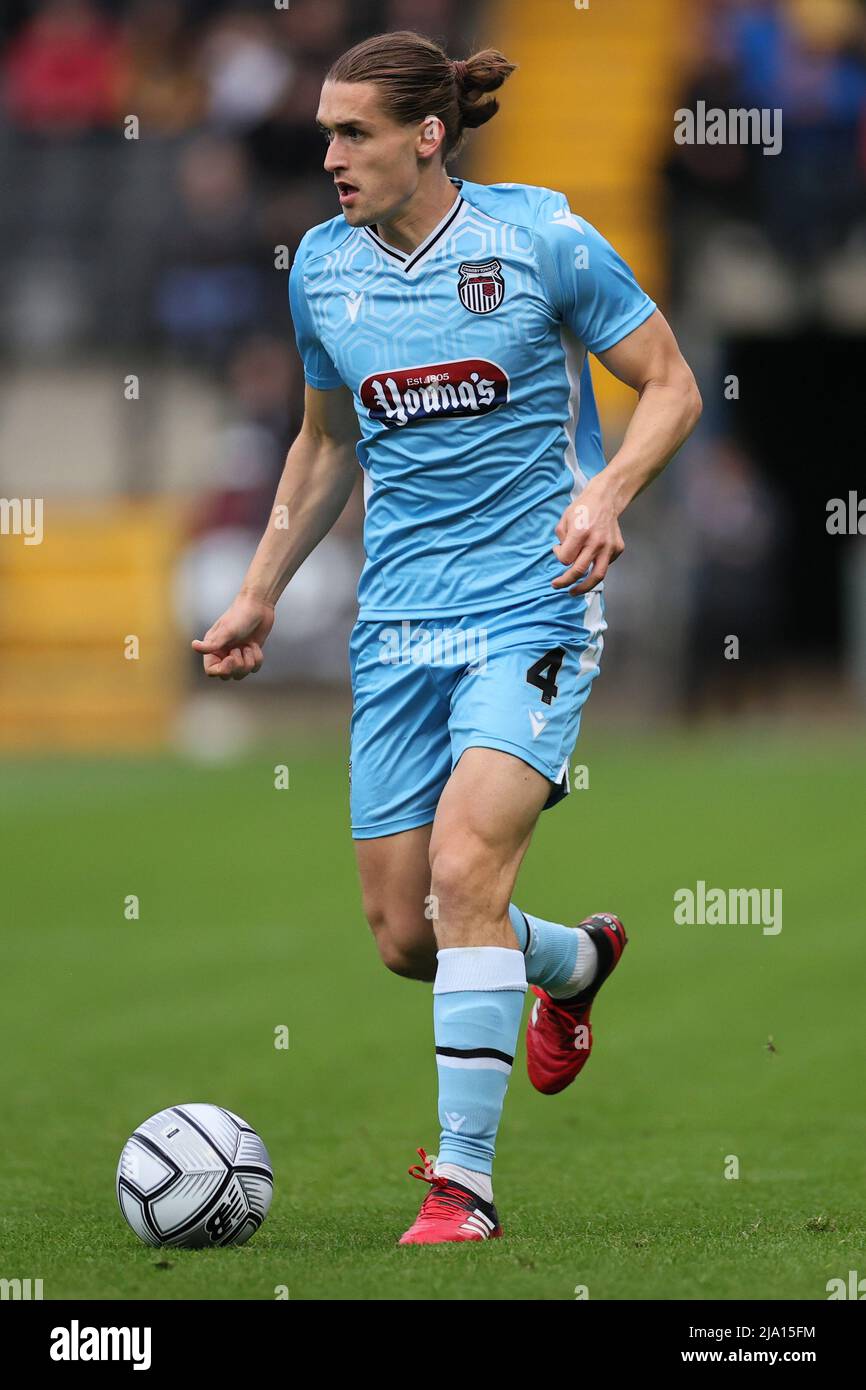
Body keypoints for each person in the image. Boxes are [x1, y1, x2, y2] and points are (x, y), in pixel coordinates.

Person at [192, 29, 702, 1246]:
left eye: (352, 132)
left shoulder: (539, 240)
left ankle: (460, 1187)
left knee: (466, 873)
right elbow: (325, 442)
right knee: (408, 932)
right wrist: (262, 589)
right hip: (397, 626)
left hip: (531, 605)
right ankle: (569, 964)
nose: (327, 154)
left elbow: (670, 384)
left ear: (425, 135)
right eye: (323, 132)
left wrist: (605, 493)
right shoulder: (321, 268)